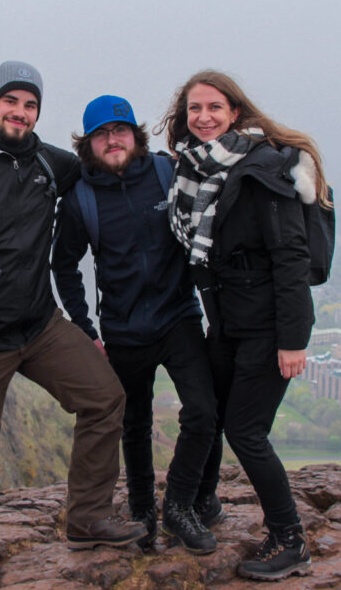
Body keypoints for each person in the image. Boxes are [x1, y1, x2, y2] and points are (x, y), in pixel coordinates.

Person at [0, 62, 147, 590]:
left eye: (30, 105)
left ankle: (86, 519)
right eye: (11, 101)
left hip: (39, 326)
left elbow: (97, 163)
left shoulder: (44, 162)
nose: (20, 112)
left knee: (105, 398)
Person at [160, 70, 331, 581]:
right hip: (228, 324)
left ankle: (289, 537)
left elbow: (291, 259)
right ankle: (197, 502)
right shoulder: (194, 172)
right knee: (208, 413)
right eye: (195, 109)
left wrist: (293, 342)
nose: (204, 117)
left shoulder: (261, 171)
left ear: (235, 112)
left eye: (215, 107)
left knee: (246, 432)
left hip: (267, 329)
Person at [52, 95, 219, 555]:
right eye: (102, 134)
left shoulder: (168, 175)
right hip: (123, 330)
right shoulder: (80, 199)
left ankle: (180, 507)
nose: (112, 139)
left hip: (178, 317)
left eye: (120, 130)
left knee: (204, 412)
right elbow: (64, 264)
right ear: (87, 144)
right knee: (135, 425)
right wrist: (86, 328)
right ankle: (143, 509)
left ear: (135, 136)